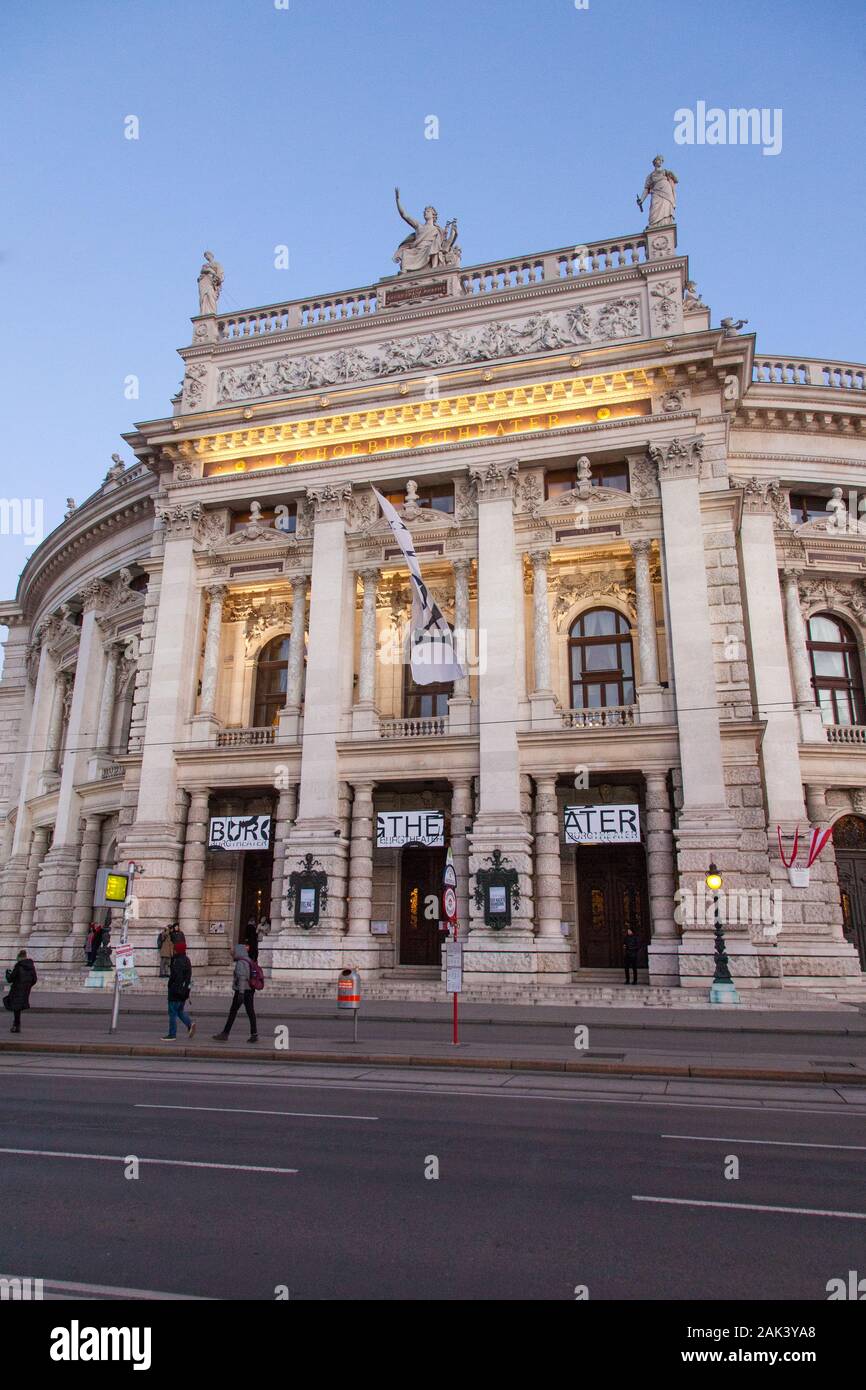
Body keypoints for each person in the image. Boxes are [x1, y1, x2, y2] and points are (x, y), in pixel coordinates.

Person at [213, 943, 258, 1043]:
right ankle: (254, 1034)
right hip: (249, 990)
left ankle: (225, 1033)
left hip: (242, 991)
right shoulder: (248, 960)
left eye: (233, 951)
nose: (232, 952)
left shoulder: (241, 963)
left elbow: (242, 978)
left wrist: (241, 993)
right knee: (250, 1012)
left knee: (233, 1012)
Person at [162, 941, 196, 1041]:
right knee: (180, 1010)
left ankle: (172, 1034)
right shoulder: (187, 960)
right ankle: (189, 1024)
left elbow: (176, 977)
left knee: (172, 1013)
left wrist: (170, 986)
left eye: (175, 948)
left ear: (177, 950)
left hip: (176, 991)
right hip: (184, 991)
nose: (173, 950)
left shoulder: (177, 961)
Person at [4, 950, 38, 1033]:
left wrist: (7, 974)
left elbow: (10, 979)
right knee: (17, 1008)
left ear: (19, 957)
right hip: (25, 990)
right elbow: (34, 979)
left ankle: (16, 1025)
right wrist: (28, 986)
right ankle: (16, 1025)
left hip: (16, 989)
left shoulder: (19, 966)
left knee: (13, 1005)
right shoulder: (31, 967)